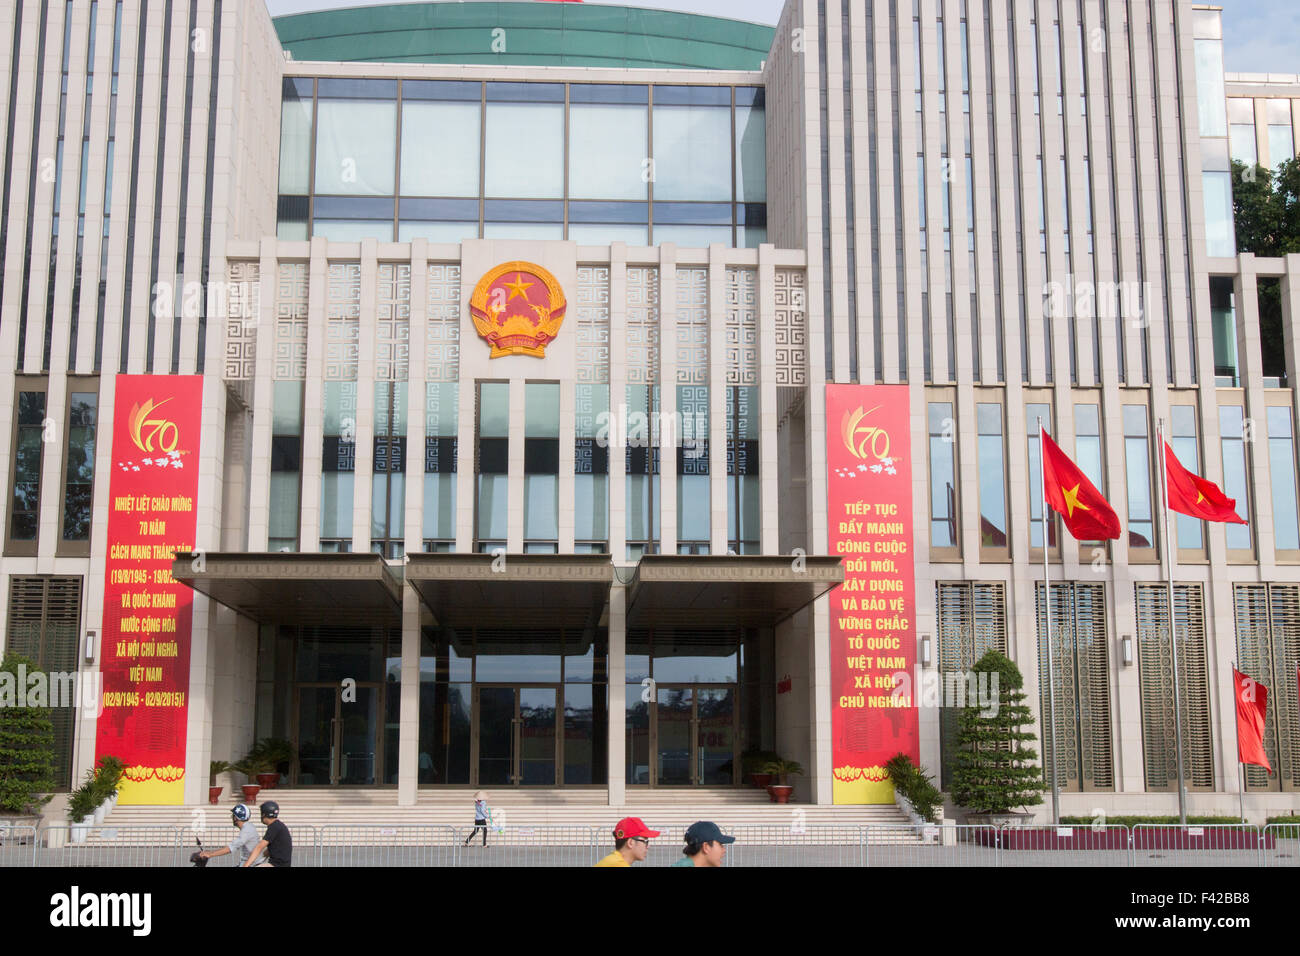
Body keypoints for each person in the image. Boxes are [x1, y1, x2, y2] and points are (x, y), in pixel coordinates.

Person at [197, 804, 264, 866]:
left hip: (250, 864)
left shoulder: (246, 831)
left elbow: (231, 847)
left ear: (236, 818)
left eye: (233, 815)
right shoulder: (249, 827)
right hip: (251, 863)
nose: (231, 817)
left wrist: (210, 854)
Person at [242, 801, 292, 867]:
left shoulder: (274, 827)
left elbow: (259, 847)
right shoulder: (279, 826)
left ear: (264, 814)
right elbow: (269, 851)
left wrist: (246, 864)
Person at [594, 817, 659, 867]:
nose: (648, 846)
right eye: (645, 841)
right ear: (630, 843)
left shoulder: (613, 860)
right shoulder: (618, 864)